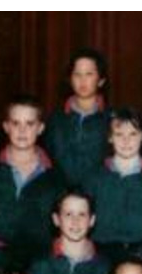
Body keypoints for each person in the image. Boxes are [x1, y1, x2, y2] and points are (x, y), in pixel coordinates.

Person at [0, 95, 66, 265]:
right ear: (6, 127)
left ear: (40, 128)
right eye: (16, 123)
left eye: (29, 124)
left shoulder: (55, 175)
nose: (22, 131)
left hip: (40, 262)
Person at [81, 108, 142, 250]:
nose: (126, 141)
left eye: (133, 134)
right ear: (110, 137)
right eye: (119, 134)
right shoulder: (94, 177)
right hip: (104, 250)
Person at [44, 48, 112, 187]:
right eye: (77, 74)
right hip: (61, 194)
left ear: (101, 81)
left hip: (99, 193)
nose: (82, 80)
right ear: (70, 79)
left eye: (89, 74)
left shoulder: (112, 120)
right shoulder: (55, 120)